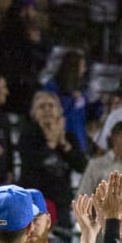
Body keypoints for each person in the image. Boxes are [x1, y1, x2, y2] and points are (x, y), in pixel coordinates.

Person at [19, 91, 88, 231]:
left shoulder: (69, 137)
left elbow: (82, 166)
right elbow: (31, 161)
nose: (47, 110)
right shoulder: (28, 134)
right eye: (42, 107)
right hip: (34, 203)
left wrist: (63, 144)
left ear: (59, 110)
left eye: (51, 106)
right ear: (34, 113)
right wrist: (50, 143)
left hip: (60, 203)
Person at [0, 0, 49, 116]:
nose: (28, 14)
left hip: (32, 88)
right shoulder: (5, 36)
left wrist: (35, 44)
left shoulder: (40, 37)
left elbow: (44, 63)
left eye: (31, 9)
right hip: (12, 89)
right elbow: (4, 64)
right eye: (24, 10)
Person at [43, 50, 92, 154]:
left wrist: (99, 104)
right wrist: (71, 100)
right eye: (82, 66)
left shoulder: (80, 89)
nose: (84, 70)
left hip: (78, 144)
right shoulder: (52, 87)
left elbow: (84, 116)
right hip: (59, 144)